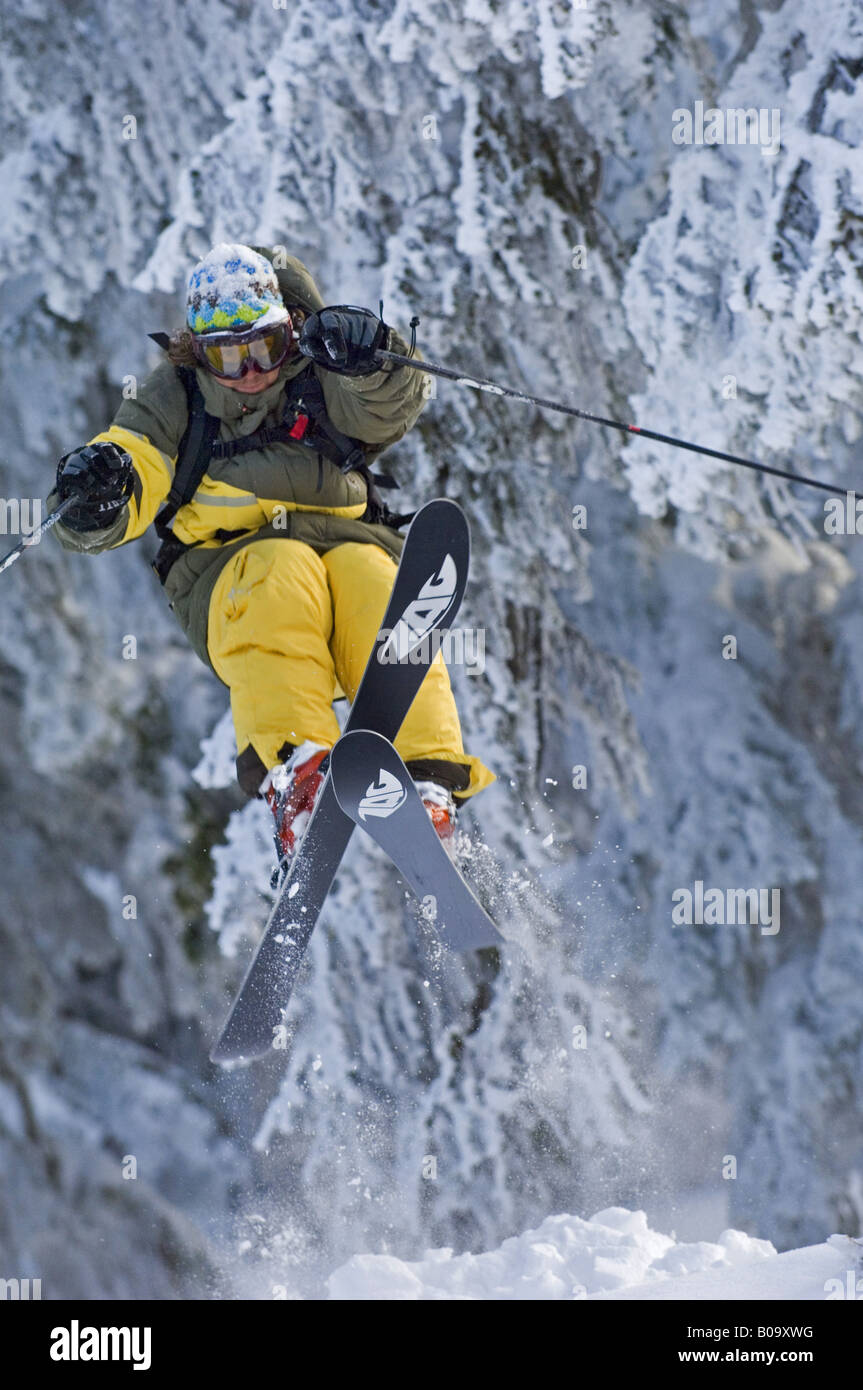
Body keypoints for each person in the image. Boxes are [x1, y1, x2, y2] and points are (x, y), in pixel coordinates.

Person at [49, 243, 494, 871]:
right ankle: (297, 769)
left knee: (376, 586)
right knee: (279, 573)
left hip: (346, 540)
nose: (251, 370)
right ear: (196, 352)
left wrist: (371, 357)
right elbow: (139, 453)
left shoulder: (315, 368)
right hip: (229, 567)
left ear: (287, 329)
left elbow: (390, 408)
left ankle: (427, 775)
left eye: (263, 348)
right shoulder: (175, 394)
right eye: (226, 356)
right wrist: (102, 491)